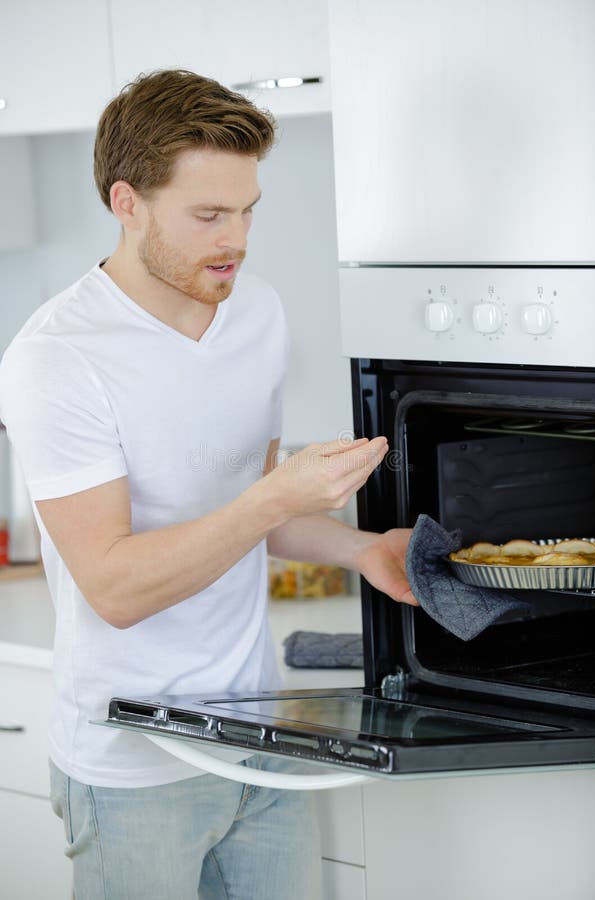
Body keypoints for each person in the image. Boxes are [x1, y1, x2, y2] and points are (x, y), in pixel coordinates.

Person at [0, 69, 416, 900]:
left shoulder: (255, 311)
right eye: (209, 215)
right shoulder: (60, 356)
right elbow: (115, 586)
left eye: (248, 208)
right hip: (133, 765)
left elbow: (255, 511)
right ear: (127, 202)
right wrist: (276, 495)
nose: (238, 238)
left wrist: (363, 549)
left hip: (257, 727)